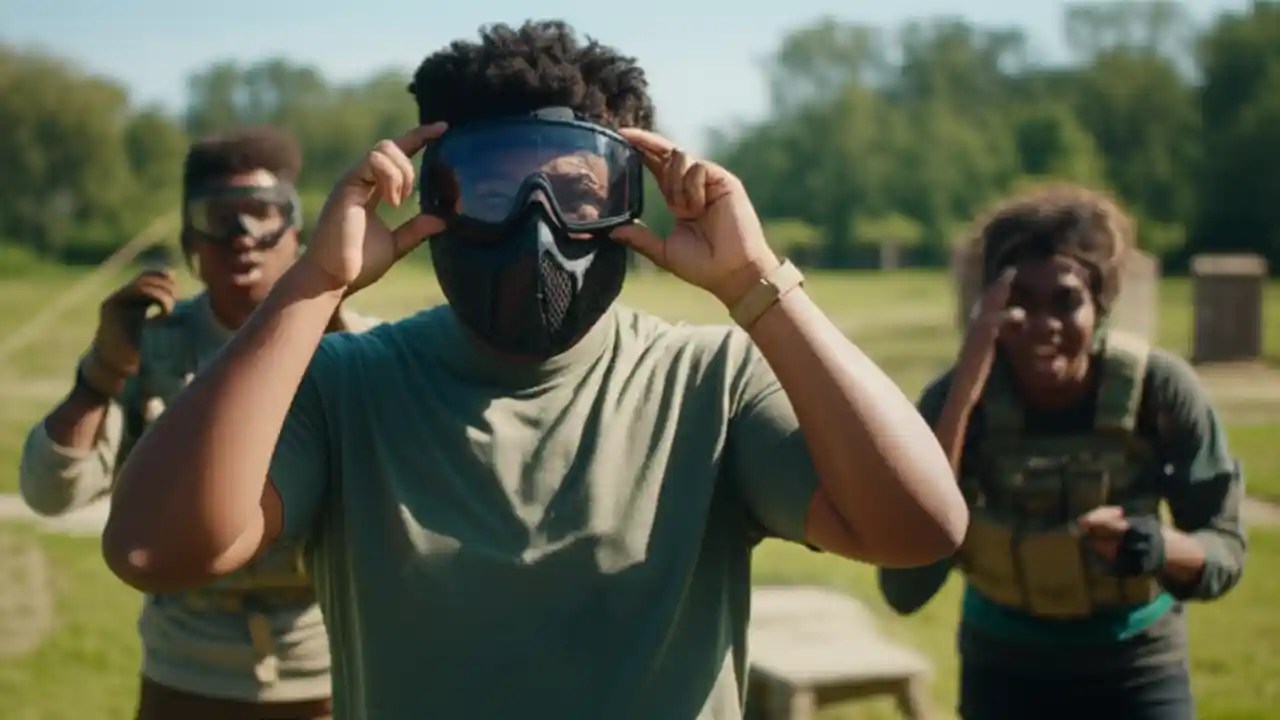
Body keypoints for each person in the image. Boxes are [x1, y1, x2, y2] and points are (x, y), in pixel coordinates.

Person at [99, 20, 968, 719]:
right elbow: (154, 547)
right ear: (429, 199)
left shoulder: (711, 382)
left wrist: (758, 287)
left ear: (636, 194)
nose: (539, 221)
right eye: (491, 185)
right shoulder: (345, 384)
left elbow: (918, 526)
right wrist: (312, 284)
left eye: (581, 190)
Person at [20, 127, 377, 720]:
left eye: (263, 214)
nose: (242, 238)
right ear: (190, 239)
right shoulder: (149, 349)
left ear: (297, 233)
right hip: (186, 671)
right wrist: (104, 372)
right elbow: (50, 493)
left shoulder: (355, 345)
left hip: (328, 671)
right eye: (220, 217)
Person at [876, 184, 1246, 720]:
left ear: (1100, 308)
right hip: (1004, 668)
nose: (1044, 326)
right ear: (987, 308)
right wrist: (966, 384)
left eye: (1066, 301)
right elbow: (904, 586)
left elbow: (1225, 548)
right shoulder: (957, 400)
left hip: (1136, 666)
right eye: (1017, 302)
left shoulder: (1159, 391)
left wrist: (1158, 546)